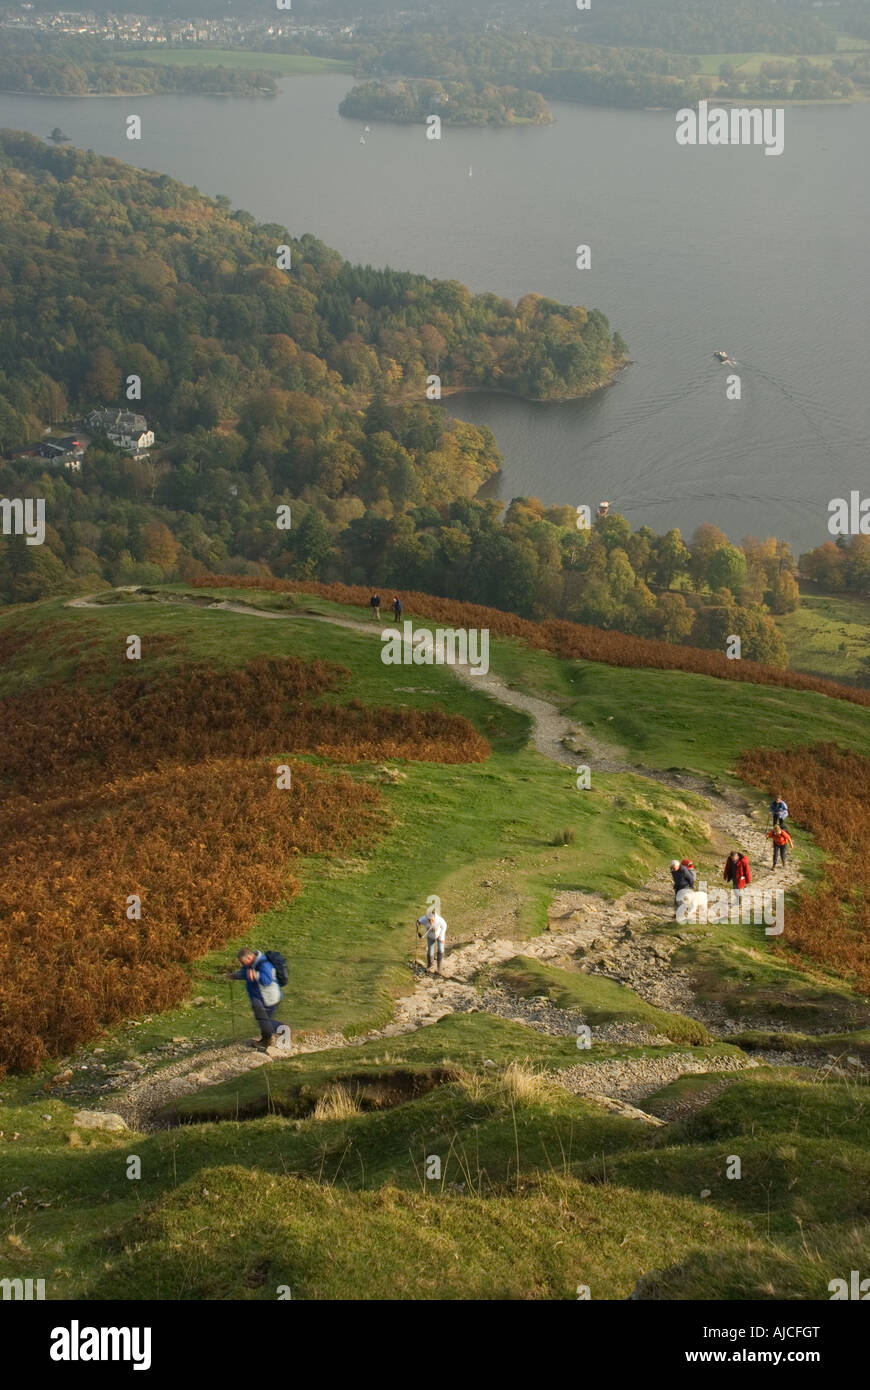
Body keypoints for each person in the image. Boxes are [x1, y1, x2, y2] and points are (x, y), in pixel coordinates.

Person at [227, 947, 283, 1049]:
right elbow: (245, 973)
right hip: (259, 997)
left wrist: (256, 975)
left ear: (249, 958)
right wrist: (235, 975)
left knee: (264, 1021)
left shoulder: (264, 965)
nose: (243, 965)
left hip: (269, 998)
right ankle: (267, 1039)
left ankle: (281, 1031)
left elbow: (267, 981)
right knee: (262, 1020)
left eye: (243, 962)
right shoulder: (251, 964)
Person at [416, 906, 447, 972]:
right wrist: (417, 923)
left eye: (431, 920)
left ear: (434, 917)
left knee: (441, 949)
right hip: (430, 936)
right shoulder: (425, 918)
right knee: (430, 952)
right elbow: (419, 921)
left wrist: (441, 937)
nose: (430, 921)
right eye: (429, 920)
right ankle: (430, 965)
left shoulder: (440, 920)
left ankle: (439, 967)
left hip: (439, 936)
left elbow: (444, 927)